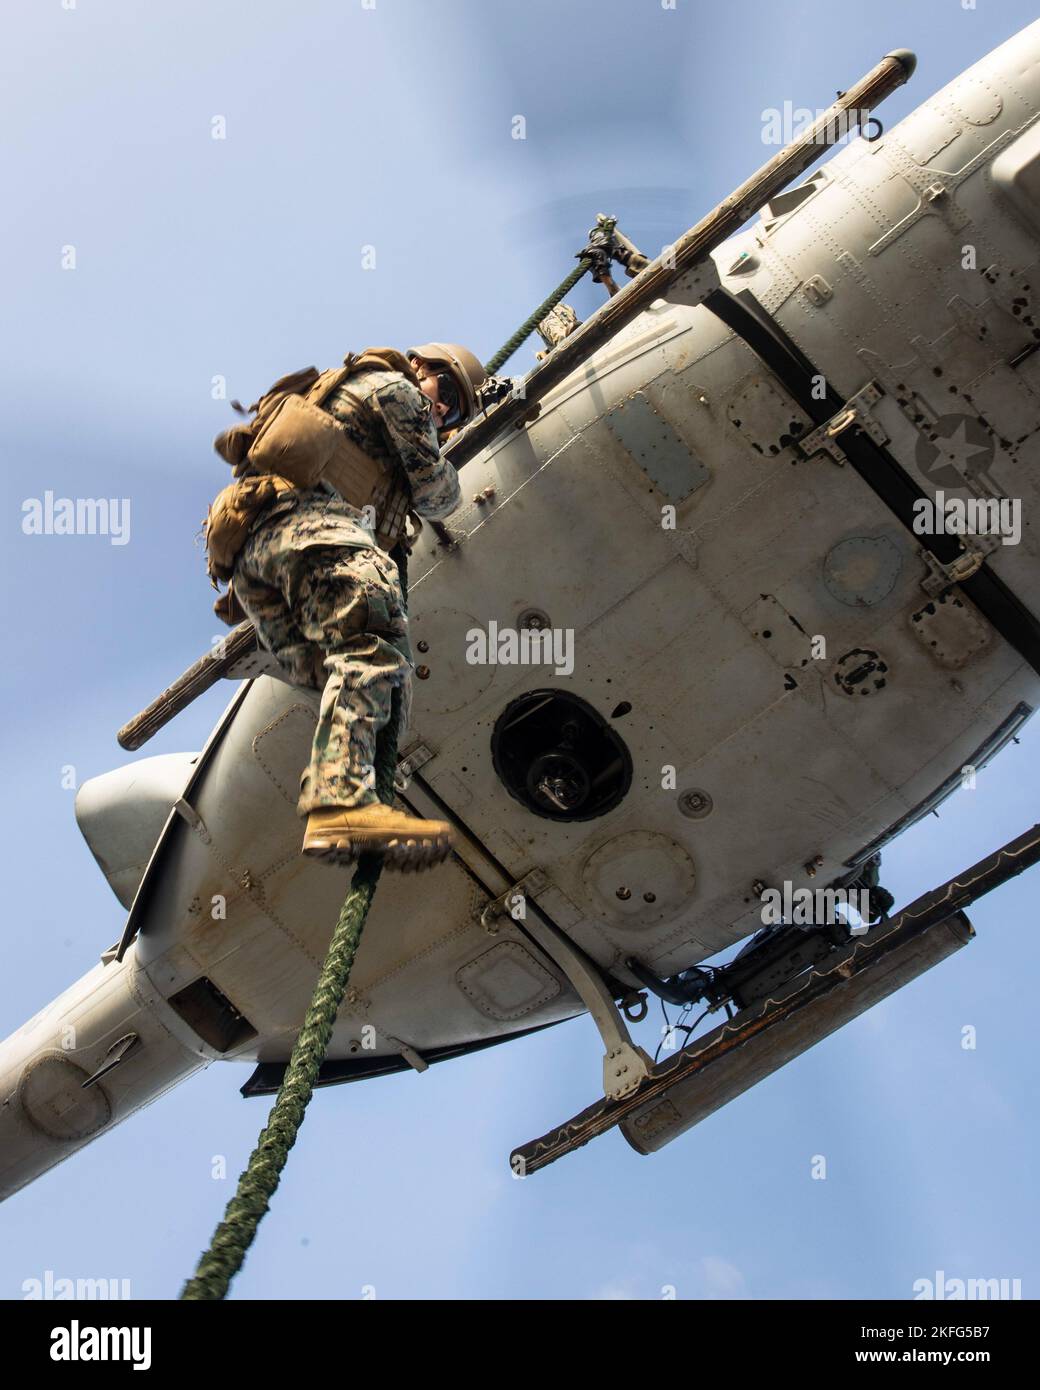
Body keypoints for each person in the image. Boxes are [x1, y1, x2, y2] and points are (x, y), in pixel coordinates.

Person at [230, 342, 486, 871]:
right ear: (423, 368)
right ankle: (341, 801)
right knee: (374, 642)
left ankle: (342, 792)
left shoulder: (358, 396)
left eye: (457, 412)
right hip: (306, 526)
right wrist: (444, 452)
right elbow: (439, 495)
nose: (444, 411)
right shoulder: (396, 389)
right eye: (448, 395)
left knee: (353, 677)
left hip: (260, 563)